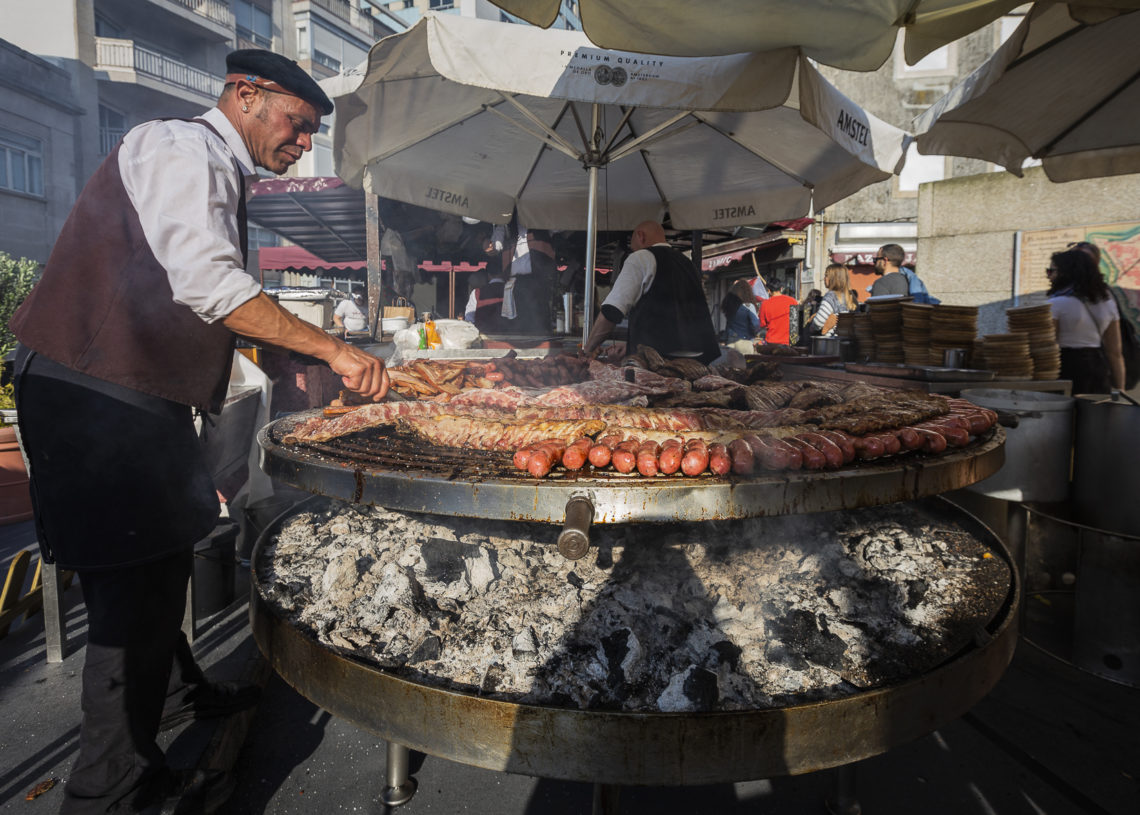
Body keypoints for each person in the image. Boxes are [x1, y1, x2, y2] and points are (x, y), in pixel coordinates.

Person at [8, 49, 389, 814]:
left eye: (312, 132)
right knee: (128, 593)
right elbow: (210, 284)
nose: (303, 143)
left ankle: (179, 689)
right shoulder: (183, 148)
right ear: (246, 94)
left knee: (170, 541)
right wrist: (330, 347)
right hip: (92, 393)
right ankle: (107, 785)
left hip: (131, 393)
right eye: (298, 123)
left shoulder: (213, 163)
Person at [582, 221, 720, 364]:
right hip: (695, 362)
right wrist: (631, 346)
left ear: (640, 236)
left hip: (656, 365)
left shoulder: (641, 257)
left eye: (633, 245)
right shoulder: (686, 262)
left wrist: (587, 350)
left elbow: (612, 311)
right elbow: (679, 317)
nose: (633, 250)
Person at [1047, 248, 1125, 393]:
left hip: (1065, 366)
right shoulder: (1108, 303)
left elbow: (1049, 346)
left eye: (1051, 271)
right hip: (1097, 367)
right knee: (1095, 412)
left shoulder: (1056, 304)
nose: (1048, 276)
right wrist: (1121, 388)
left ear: (1065, 272)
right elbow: (1115, 352)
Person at [463, 246, 510, 333]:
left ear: (488, 275)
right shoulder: (512, 292)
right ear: (503, 273)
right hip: (510, 339)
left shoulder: (477, 293)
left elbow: (469, 320)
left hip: (485, 341)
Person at [812, 263, 857, 337]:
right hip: (848, 340)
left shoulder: (831, 296)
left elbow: (818, 322)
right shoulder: (850, 297)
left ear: (833, 278)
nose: (824, 278)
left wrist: (812, 327)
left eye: (826, 275)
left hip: (832, 342)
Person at [721, 279, 760, 355]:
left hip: (731, 341)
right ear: (748, 292)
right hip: (745, 342)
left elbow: (728, 325)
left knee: (730, 366)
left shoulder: (730, 306)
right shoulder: (749, 306)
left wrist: (724, 339)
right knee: (746, 366)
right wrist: (753, 334)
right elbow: (756, 325)